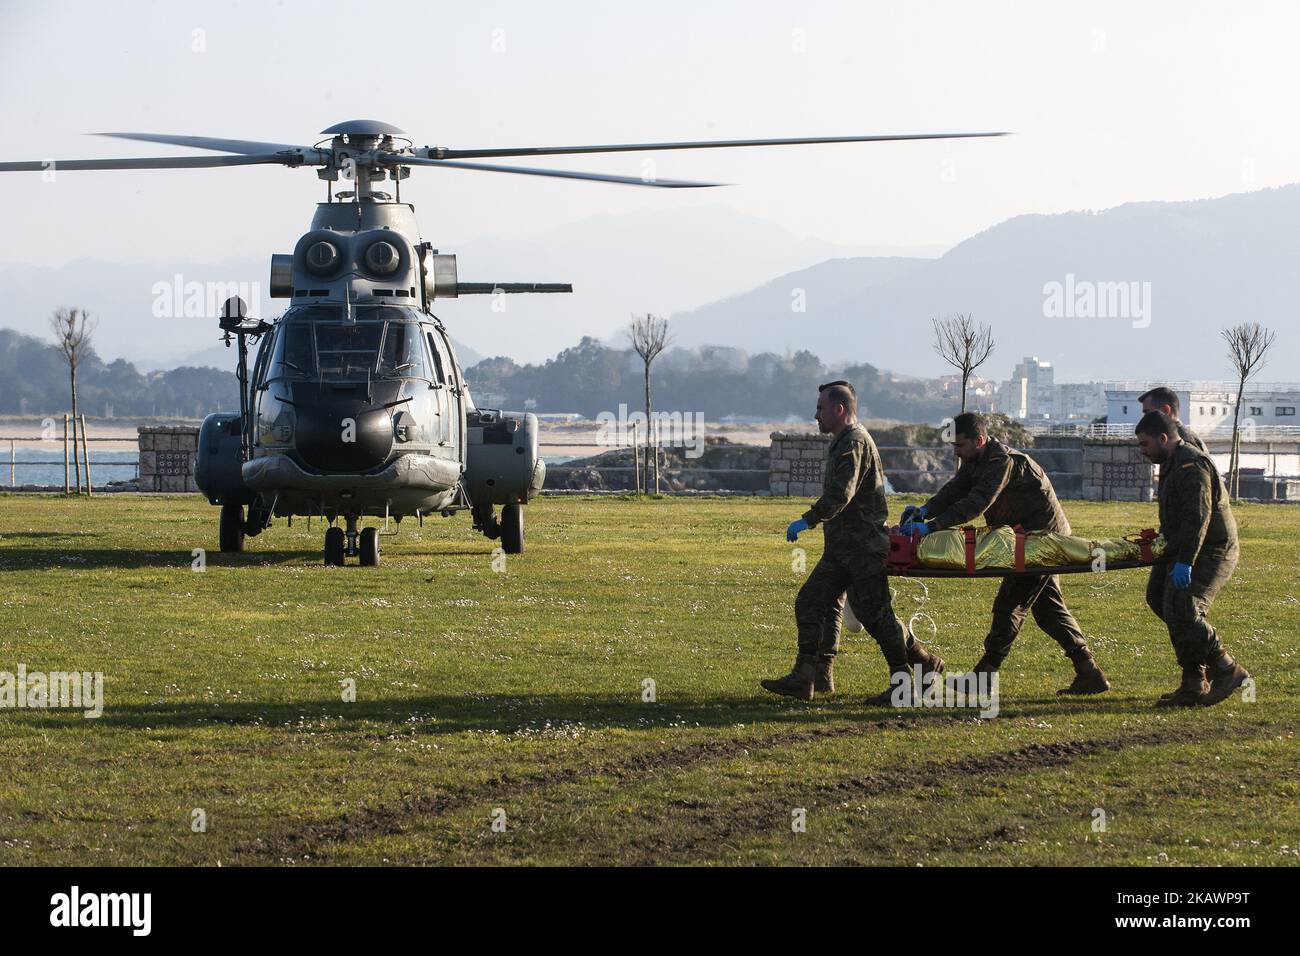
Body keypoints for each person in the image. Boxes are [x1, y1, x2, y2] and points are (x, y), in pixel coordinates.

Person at [899, 412, 1110, 694]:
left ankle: (985, 677)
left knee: (1010, 605)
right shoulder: (976, 461)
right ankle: (1090, 673)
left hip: (1043, 540)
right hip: (1023, 539)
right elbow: (955, 491)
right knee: (1048, 611)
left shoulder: (1002, 462)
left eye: (960, 446)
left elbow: (977, 502)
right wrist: (925, 510)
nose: (956, 453)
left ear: (980, 440)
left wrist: (932, 527)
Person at [763, 383, 942, 704]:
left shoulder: (854, 443)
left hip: (862, 549)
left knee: (878, 617)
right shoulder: (844, 441)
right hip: (843, 550)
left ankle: (906, 684)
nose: (815, 415)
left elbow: (841, 494)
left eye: (820, 408)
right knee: (810, 602)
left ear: (839, 410)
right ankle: (807, 677)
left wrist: (809, 518)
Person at [1134, 410, 1249, 707]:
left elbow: (1198, 518)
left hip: (1211, 547)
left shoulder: (1190, 464)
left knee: (1183, 606)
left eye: (1145, 444)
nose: (1142, 452)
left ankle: (1225, 668)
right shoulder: (1171, 462)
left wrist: (1185, 561)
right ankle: (1194, 682)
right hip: (1185, 544)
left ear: (1163, 438)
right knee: (1159, 597)